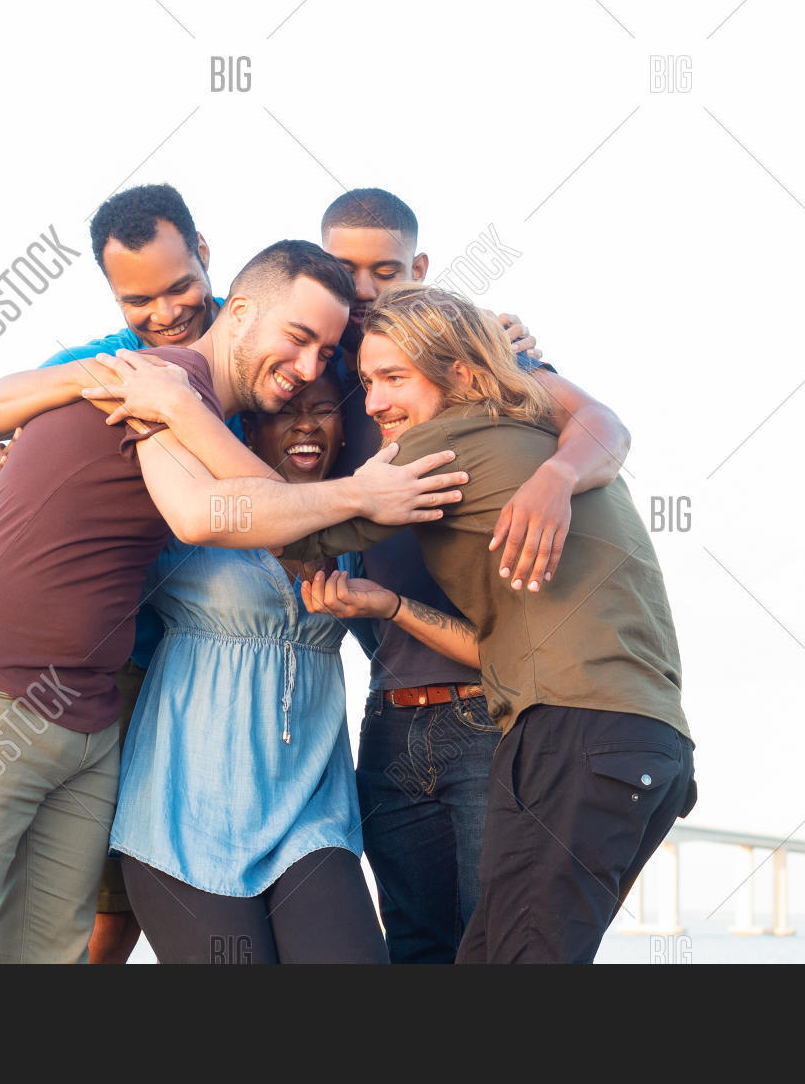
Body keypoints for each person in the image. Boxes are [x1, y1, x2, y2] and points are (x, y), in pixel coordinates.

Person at [0, 182, 550, 963]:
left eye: (325, 392)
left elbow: (489, 386)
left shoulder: (346, 379)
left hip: (319, 789)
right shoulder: (173, 391)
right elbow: (1, 414)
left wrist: (501, 344)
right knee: (103, 927)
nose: (306, 397)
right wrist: (128, 394)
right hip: (160, 726)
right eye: (141, 295)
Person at [0, 244, 465, 963]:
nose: (309, 368)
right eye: (298, 339)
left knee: (44, 957)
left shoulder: (188, 401)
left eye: (325, 354)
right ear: (237, 311)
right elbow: (199, 513)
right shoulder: (166, 385)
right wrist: (360, 494)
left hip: (86, 719)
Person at [286, 283, 695, 964]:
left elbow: (300, 537)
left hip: (572, 735)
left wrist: (184, 416)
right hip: (645, 746)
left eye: (393, 378)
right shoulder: (537, 440)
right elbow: (507, 646)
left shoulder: (444, 447)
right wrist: (389, 605)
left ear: (465, 377)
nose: (377, 402)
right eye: (365, 381)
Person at [317, 187, 632, 962]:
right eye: (344, 270)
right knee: (418, 948)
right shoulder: (312, 373)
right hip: (389, 714)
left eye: (384, 272)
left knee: (500, 948)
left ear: (419, 267)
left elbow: (606, 425)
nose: (363, 289)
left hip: (492, 715)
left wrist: (557, 476)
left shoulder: (487, 358)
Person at [106, 367, 387, 963]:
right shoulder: (188, 523)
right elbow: (76, 576)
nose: (307, 423)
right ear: (247, 426)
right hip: (184, 809)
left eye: (325, 409)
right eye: (287, 409)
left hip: (311, 810)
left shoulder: (355, 523)